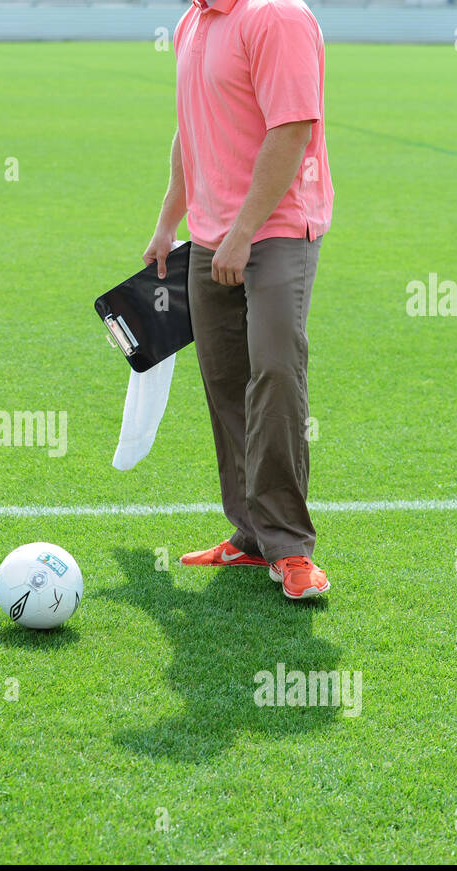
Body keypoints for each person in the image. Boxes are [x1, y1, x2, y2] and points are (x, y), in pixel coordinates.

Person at [144, 0, 335, 599]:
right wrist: (167, 222)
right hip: (209, 237)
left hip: (273, 232)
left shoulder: (276, 16)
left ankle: (291, 549)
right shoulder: (192, 21)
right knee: (225, 380)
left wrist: (243, 232)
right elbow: (190, 130)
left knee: (275, 373)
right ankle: (251, 535)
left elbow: (293, 128)